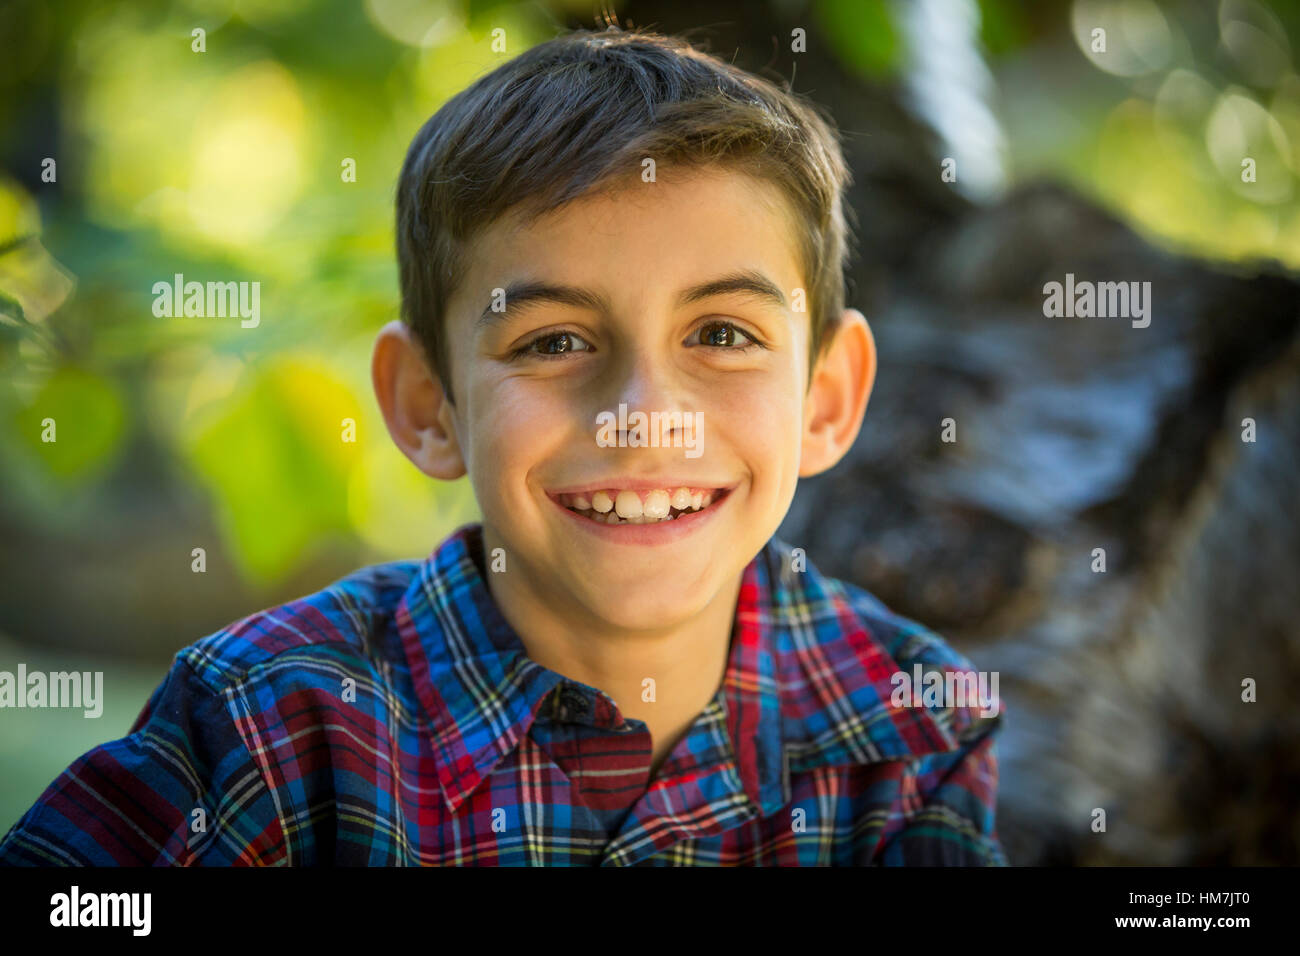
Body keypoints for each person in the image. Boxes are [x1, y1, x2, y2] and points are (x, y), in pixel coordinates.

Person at [0, 25, 1006, 866]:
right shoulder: (271, 720)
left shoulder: (909, 727)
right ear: (427, 402)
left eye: (721, 335)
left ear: (826, 398)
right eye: (554, 341)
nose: (641, 415)